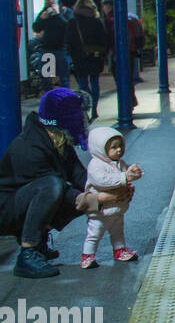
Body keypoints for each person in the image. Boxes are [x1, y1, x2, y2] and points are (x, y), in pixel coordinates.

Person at [0, 88, 130, 278]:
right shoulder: (30, 147)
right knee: (53, 187)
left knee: (70, 192)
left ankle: (40, 239)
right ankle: (27, 252)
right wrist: (103, 198)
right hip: (6, 211)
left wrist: (117, 187)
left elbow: (81, 178)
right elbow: (63, 191)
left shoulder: (56, 139)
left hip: (24, 202)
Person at [80, 126, 143, 268]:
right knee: (94, 234)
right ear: (100, 149)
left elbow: (126, 173)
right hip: (100, 211)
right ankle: (88, 256)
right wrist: (124, 177)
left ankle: (119, 249)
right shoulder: (95, 165)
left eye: (120, 146)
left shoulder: (120, 163)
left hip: (117, 208)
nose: (119, 150)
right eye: (113, 147)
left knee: (118, 231)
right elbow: (103, 180)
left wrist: (132, 172)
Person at [66, 0, 108, 121]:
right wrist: (102, 54)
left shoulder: (73, 22)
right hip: (95, 56)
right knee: (95, 82)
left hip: (79, 57)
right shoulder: (97, 21)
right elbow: (104, 39)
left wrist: (73, 55)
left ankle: (85, 109)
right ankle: (94, 108)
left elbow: (68, 41)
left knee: (83, 84)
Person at [101, 0, 139, 109]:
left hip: (117, 53)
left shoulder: (109, 20)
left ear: (109, 7)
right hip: (131, 51)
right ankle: (131, 100)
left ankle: (127, 104)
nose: (103, 9)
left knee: (120, 79)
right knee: (129, 78)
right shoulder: (130, 17)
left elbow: (107, 39)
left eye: (104, 6)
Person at [32, 0, 74, 88]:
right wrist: (42, 19)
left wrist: (58, 14)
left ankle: (64, 98)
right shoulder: (45, 12)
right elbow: (37, 28)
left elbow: (68, 27)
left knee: (63, 77)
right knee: (46, 77)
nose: (47, 2)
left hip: (61, 49)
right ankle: (50, 97)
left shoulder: (65, 11)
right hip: (47, 48)